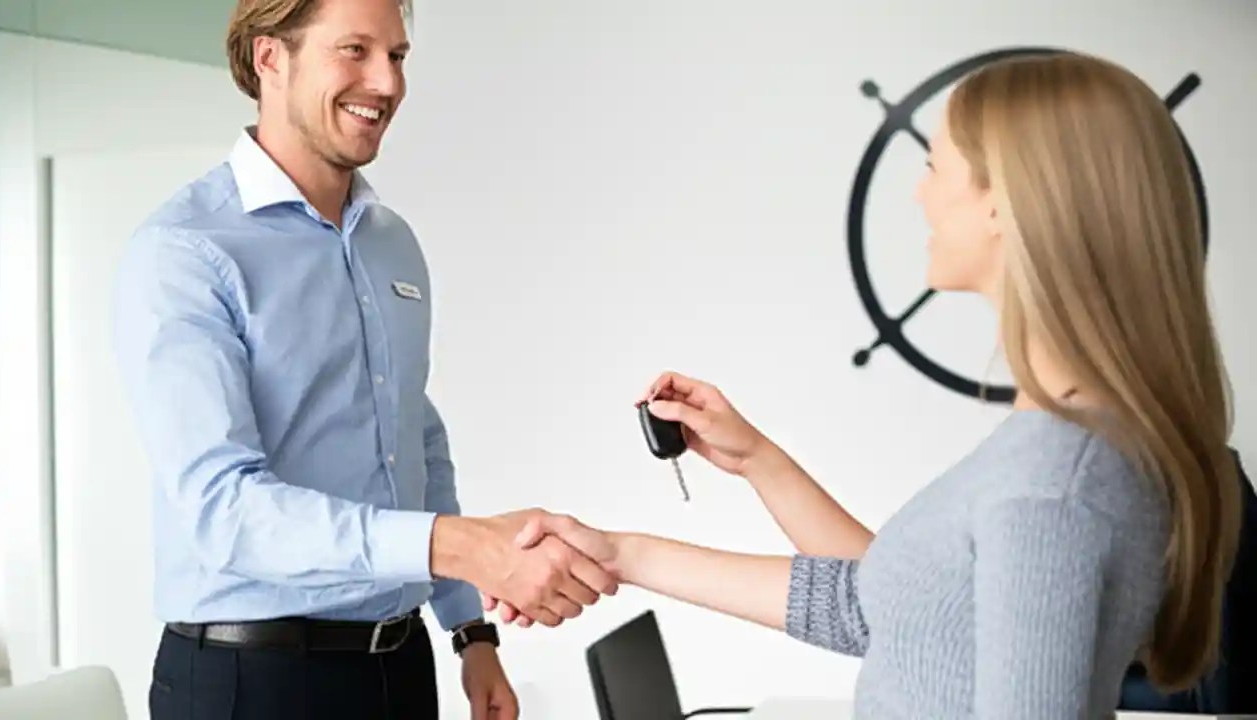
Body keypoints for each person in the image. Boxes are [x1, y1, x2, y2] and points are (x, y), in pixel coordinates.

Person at [484, 52, 1243, 719]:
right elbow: (890, 608)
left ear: (1001, 203)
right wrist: (637, 541)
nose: (918, 195)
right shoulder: (1072, 444)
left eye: (935, 166)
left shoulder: (1052, 483)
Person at [111, 0, 615, 718]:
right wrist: (457, 546)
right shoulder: (185, 253)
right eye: (355, 50)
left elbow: (416, 440)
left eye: (398, 56)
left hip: (398, 667)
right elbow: (226, 511)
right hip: (251, 683)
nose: (386, 83)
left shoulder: (390, 242)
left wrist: (469, 632)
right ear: (269, 58)